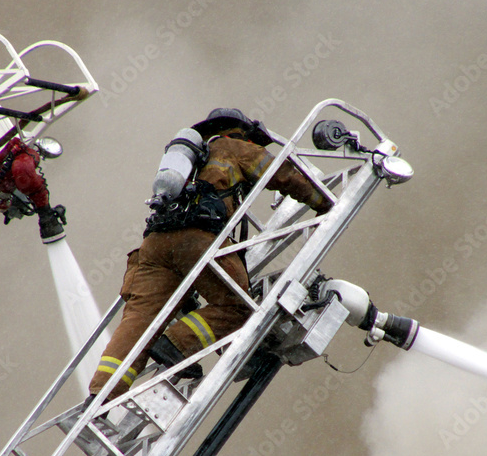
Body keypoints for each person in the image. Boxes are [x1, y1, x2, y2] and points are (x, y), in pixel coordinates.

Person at [87, 108, 331, 402]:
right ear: (238, 131)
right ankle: (175, 346)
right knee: (238, 306)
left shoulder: (187, 164)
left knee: (139, 319)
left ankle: (101, 394)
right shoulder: (232, 146)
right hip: (197, 238)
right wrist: (324, 202)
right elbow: (282, 172)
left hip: (152, 247)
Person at [0, 137, 67, 243]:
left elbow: (6, 164)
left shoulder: (24, 161)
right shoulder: (25, 161)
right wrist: (44, 209)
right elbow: (22, 171)